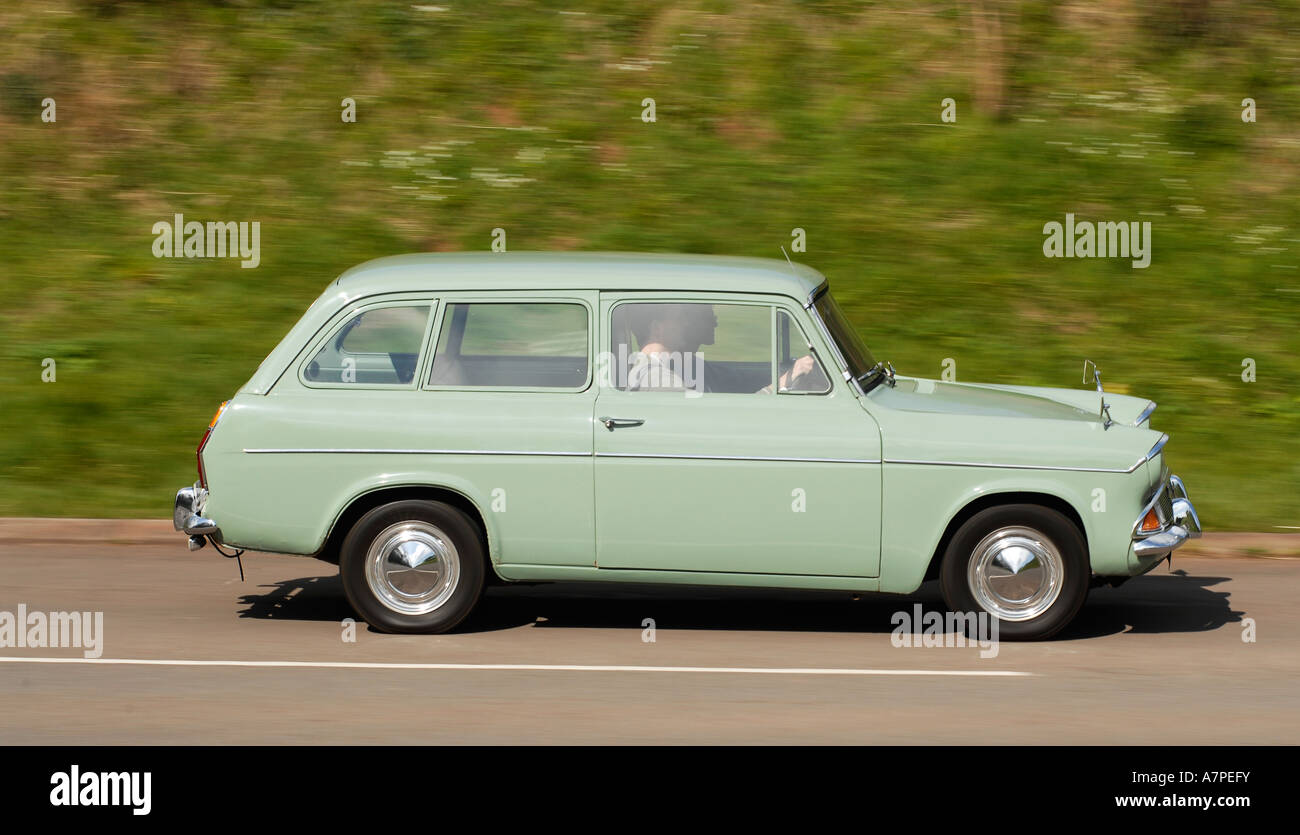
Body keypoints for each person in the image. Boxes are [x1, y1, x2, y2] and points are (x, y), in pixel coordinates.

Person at [623, 303, 816, 393]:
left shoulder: (677, 366)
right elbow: (715, 423)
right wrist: (780, 384)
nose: (686, 325)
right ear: (657, 328)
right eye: (680, 319)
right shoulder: (658, 379)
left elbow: (731, 378)